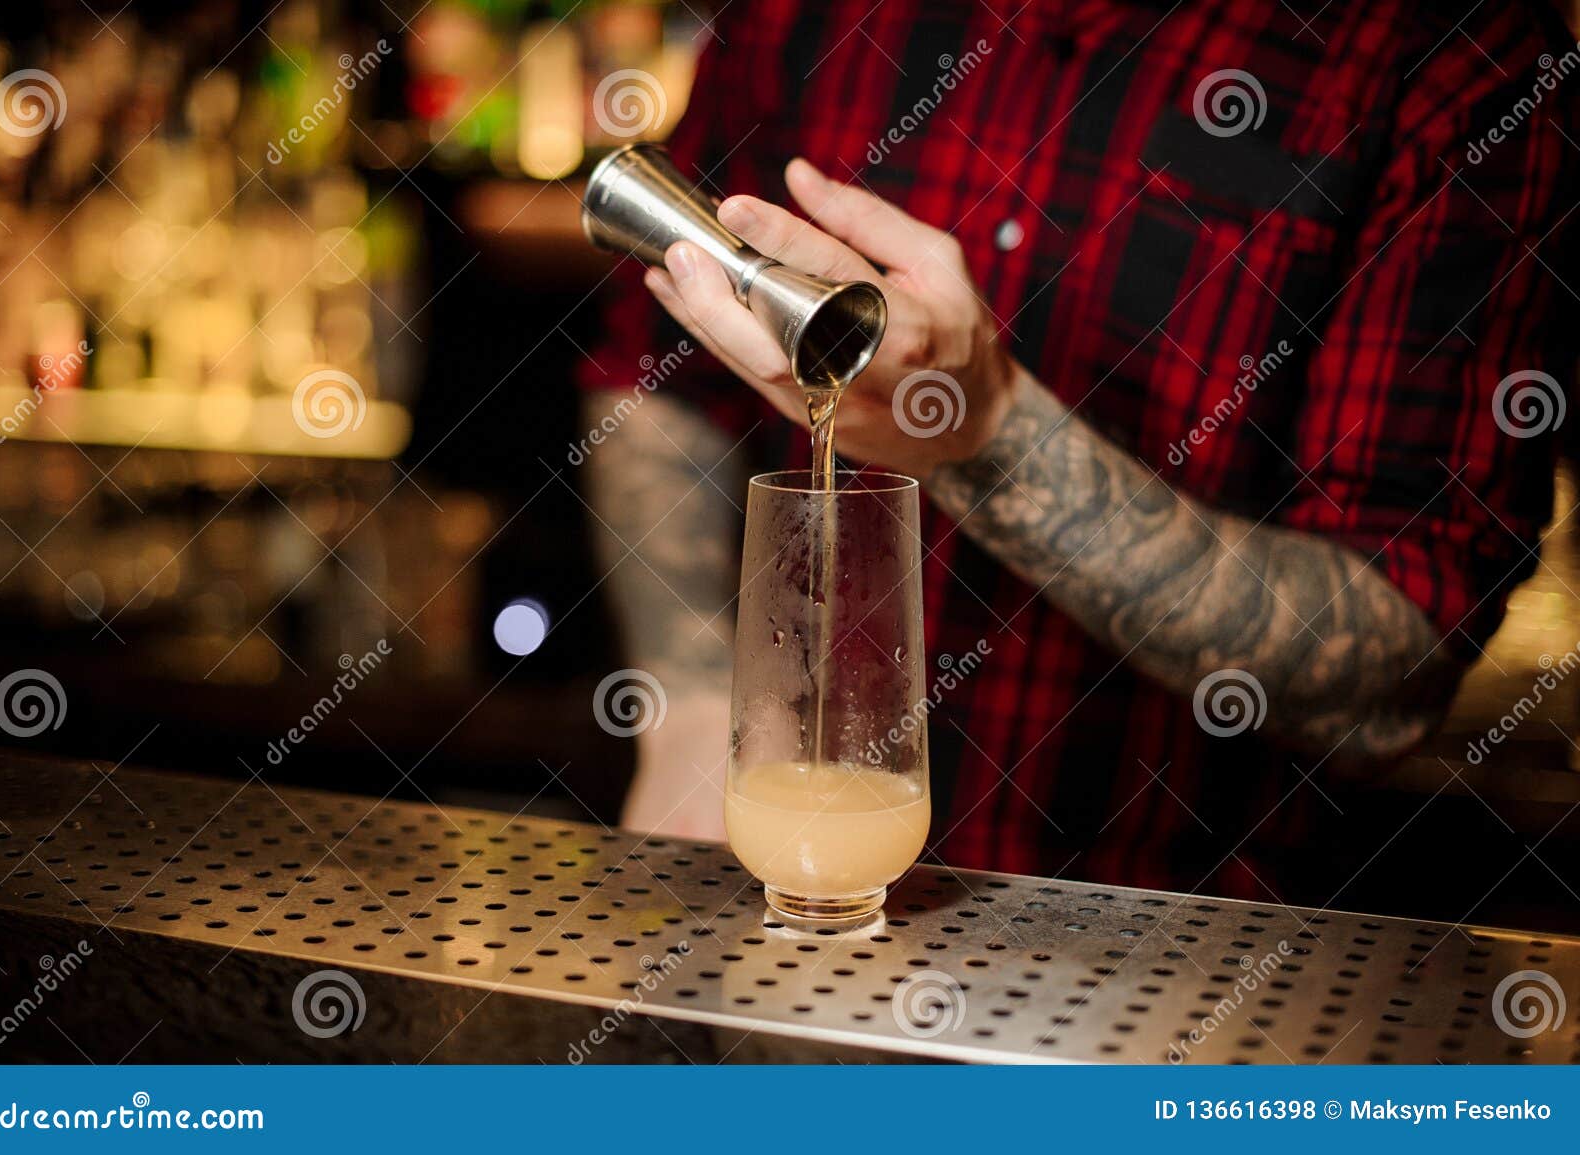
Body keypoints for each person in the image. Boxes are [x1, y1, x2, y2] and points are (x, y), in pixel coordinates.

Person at [579, 0, 1579, 903]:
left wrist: (987, 434)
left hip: (1180, 970)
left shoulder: (1453, 49)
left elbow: (1394, 674)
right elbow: (656, 374)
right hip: (789, 925)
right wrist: (695, 703)